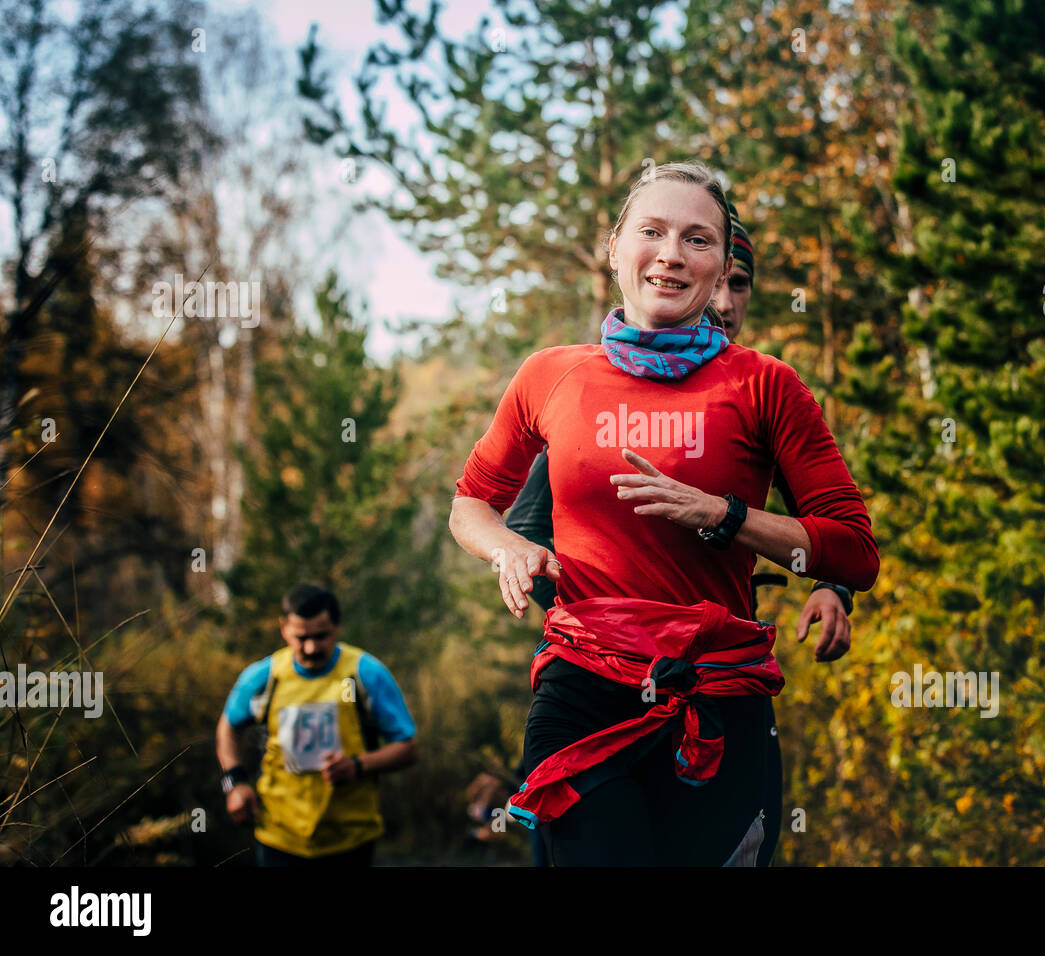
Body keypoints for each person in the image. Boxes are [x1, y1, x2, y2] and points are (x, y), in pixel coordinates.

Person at [449, 160, 878, 866]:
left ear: (720, 273)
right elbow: (472, 502)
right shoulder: (549, 375)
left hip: (715, 693)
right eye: (651, 232)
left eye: (698, 240)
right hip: (582, 687)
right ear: (615, 249)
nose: (672, 254)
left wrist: (725, 515)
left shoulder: (767, 385)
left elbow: (853, 551)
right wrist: (507, 548)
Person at [216, 583, 418, 866]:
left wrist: (357, 765)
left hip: (351, 838)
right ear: (283, 628)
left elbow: (408, 748)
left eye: (321, 636)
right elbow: (228, 726)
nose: (310, 648)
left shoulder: (365, 673)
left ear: (337, 625)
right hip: (279, 837)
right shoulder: (263, 677)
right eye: (301, 637)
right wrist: (235, 783)